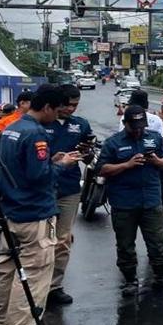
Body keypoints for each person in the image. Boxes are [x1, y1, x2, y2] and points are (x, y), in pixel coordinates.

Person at [0, 85, 80, 325]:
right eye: (57, 111)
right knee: (34, 272)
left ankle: (2, 324)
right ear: (47, 108)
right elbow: (38, 177)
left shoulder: (11, 129)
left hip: (11, 210)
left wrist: (49, 161)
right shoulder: (36, 134)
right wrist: (60, 165)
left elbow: (14, 168)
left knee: (7, 268)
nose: (58, 116)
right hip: (34, 212)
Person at [98, 106, 163, 297]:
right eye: (134, 126)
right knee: (125, 244)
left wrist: (158, 162)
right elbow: (102, 169)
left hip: (150, 199)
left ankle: (161, 277)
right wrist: (127, 165)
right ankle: (130, 280)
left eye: (141, 126)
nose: (138, 130)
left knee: (157, 242)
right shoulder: (113, 143)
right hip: (124, 202)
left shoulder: (154, 138)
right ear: (125, 123)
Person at [44, 84, 92, 306]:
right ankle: (38, 285)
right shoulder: (42, 124)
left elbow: (88, 154)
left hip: (70, 189)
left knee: (63, 240)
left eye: (75, 105)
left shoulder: (80, 125)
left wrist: (86, 152)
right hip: (44, 189)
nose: (71, 109)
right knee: (42, 240)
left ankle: (55, 285)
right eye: (67, 105)